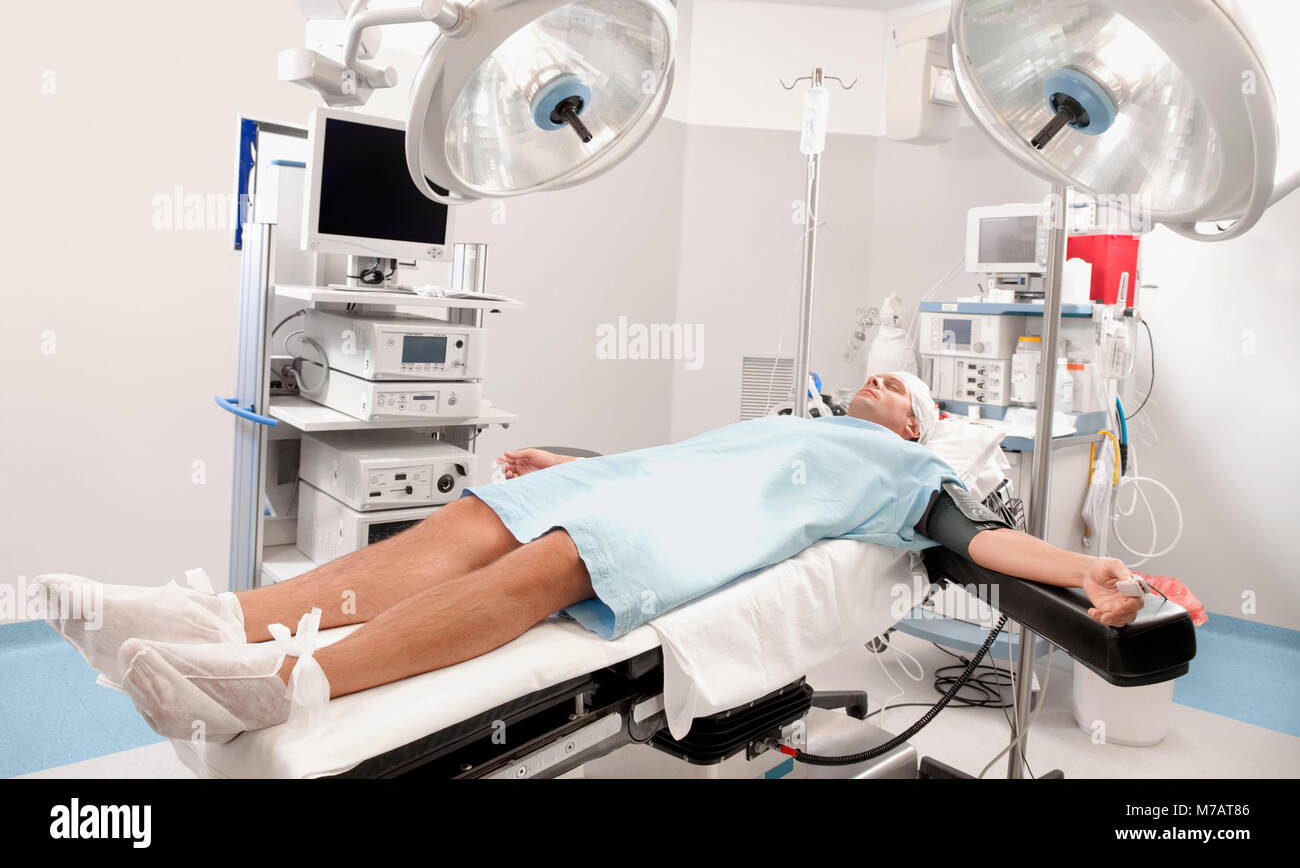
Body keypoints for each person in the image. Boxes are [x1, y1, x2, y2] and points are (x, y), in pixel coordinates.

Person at [38, 372, 1145, 743]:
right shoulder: (788, 415)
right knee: (481, 513)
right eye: (881, 377)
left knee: (556, 556)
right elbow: (685, 455)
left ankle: (280, 688)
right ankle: (224, 616)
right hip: (648, 481)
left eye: (905, 392)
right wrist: (567, 454)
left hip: (701, 531)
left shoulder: (911, 475)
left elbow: (974, 538)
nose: (884, 383)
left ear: (915, 428)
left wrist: (1074, 570)